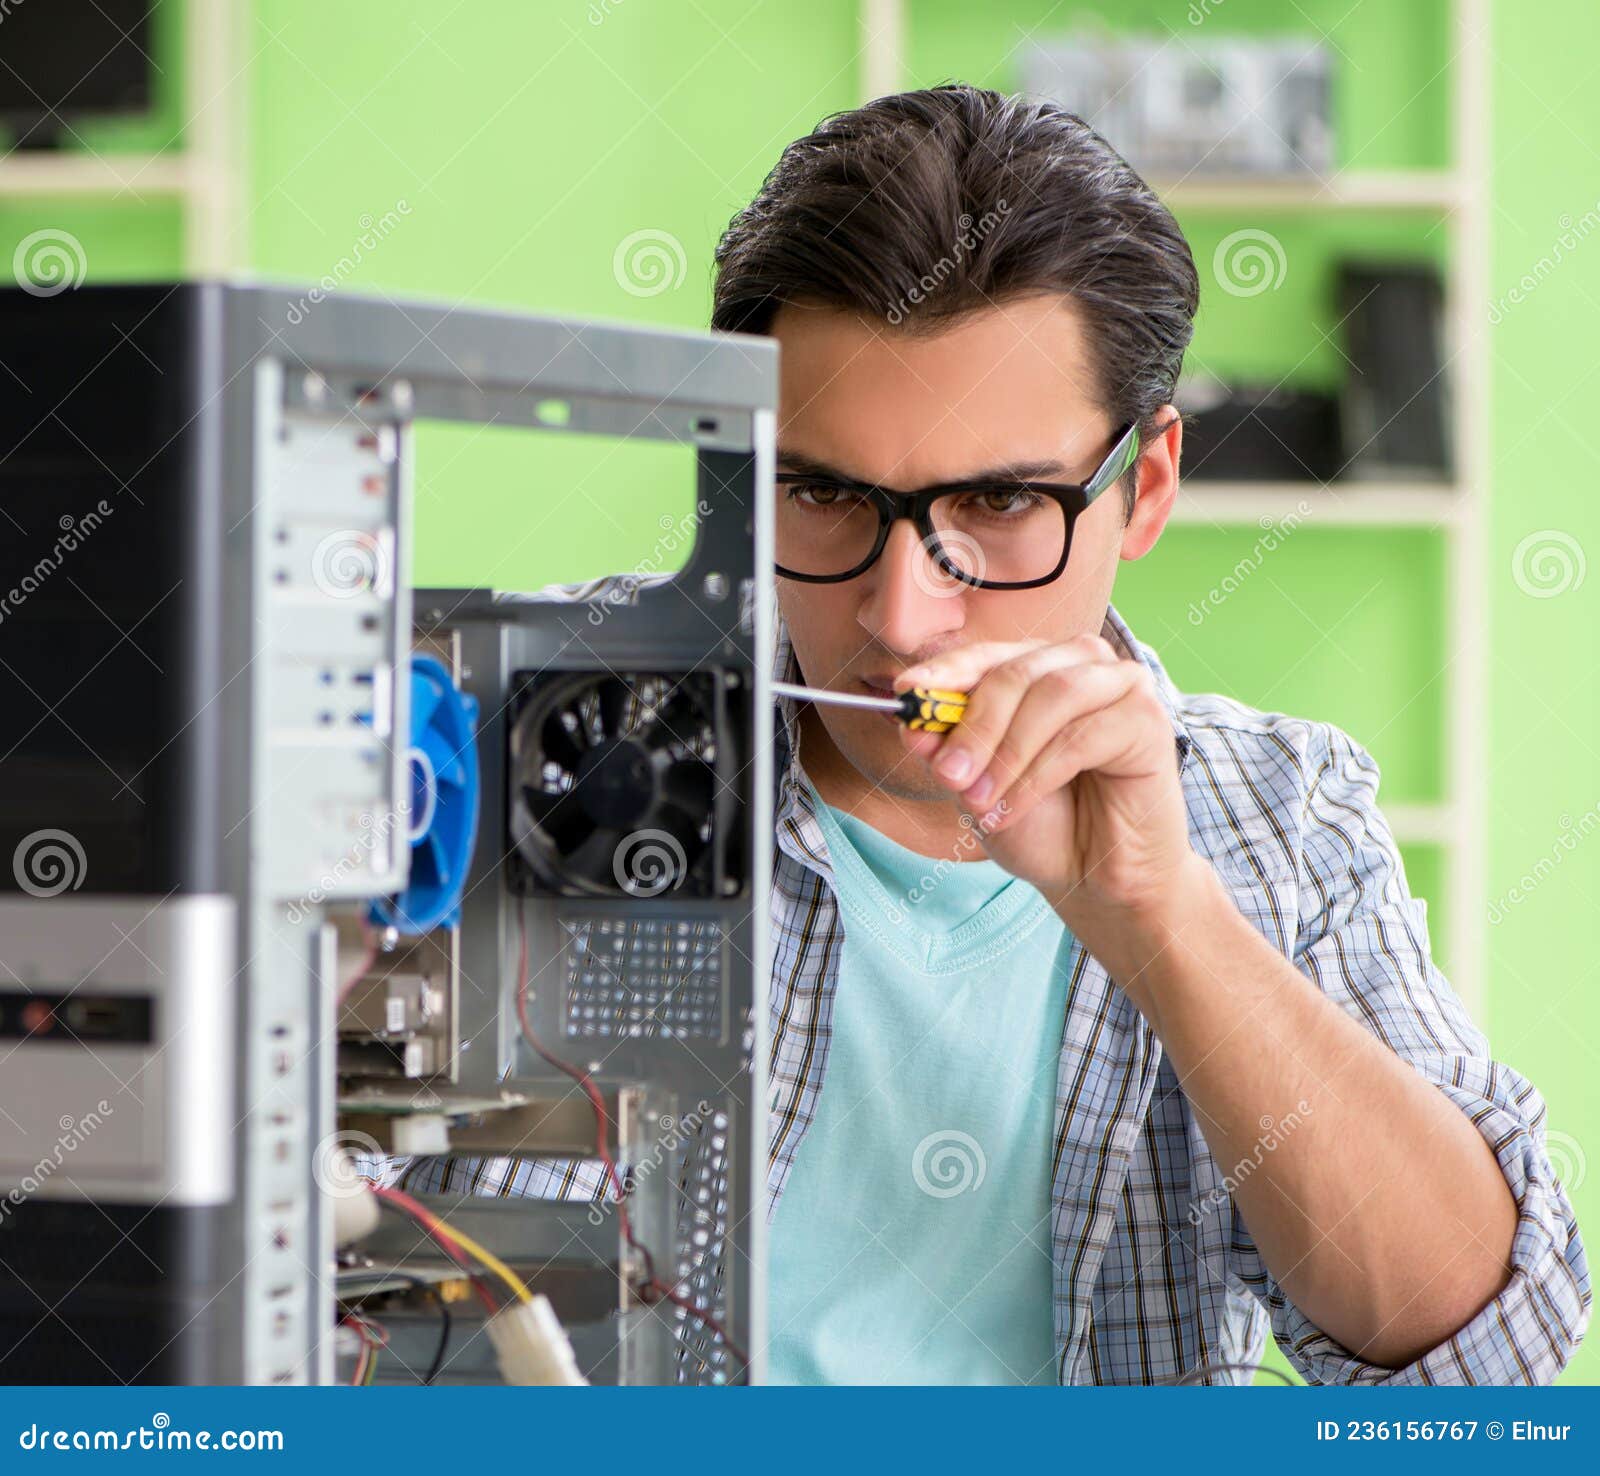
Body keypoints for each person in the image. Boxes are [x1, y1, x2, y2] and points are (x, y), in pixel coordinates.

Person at [408, 84, 1589, 1386]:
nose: (902, 611)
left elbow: (1491, 1367)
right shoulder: (526, 722)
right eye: (818, 492)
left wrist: (1163, 921)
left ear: (1143, 489)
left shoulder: (1279, 814)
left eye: (1000, 502)